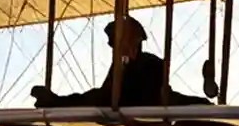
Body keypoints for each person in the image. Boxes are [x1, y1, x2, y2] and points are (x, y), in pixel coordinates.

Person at [30, 15, 217, 108]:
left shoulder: (152, 64)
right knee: (90, 98)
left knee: (198, 105)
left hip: (153, 105)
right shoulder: (121, 64)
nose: (114, 48)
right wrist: (59, 103)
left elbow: (157, 96)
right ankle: (54, 102)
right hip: (132, 105)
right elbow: (103, 94)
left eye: (118, 43)